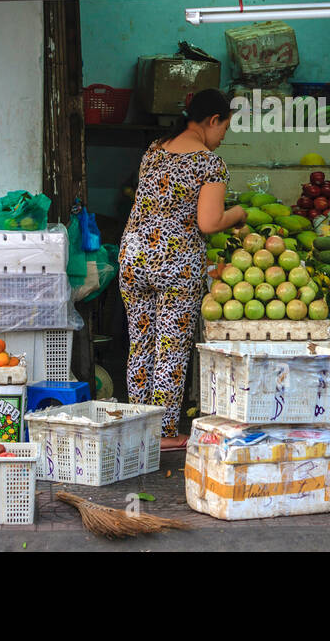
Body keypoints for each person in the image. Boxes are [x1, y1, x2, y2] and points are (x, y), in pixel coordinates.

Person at [118, 89, 245, 450]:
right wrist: (238, 214)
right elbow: (209, 222)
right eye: (225, 129)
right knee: (171, 347)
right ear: (213, 120)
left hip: (134, 257)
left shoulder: (155, 150)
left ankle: (140, 425)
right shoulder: (208, 163)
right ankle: (164, 432)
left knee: (141, 343)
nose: (223, 138)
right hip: (175, 265)